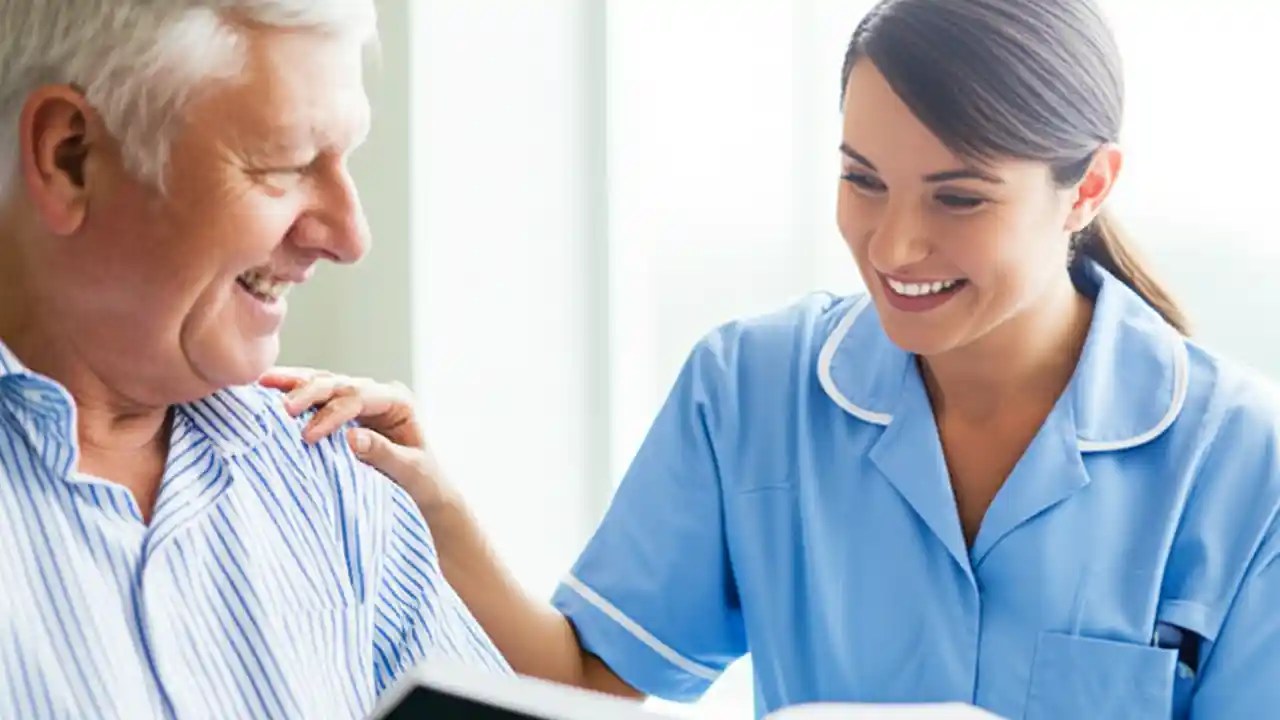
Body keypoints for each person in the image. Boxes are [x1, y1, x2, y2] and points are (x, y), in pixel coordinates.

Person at [279, 0, 1280, 717]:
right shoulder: (748, 391)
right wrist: (436, 507)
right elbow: (589, 681)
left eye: (957, 198)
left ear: (1087, 187)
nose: (892, 247)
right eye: (861, 181)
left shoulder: (1241, 462)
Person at [0, 2, 506, 718]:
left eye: (344, 160)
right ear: (69, 156)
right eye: (288, 164)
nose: (350, 237)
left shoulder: (340, 489)